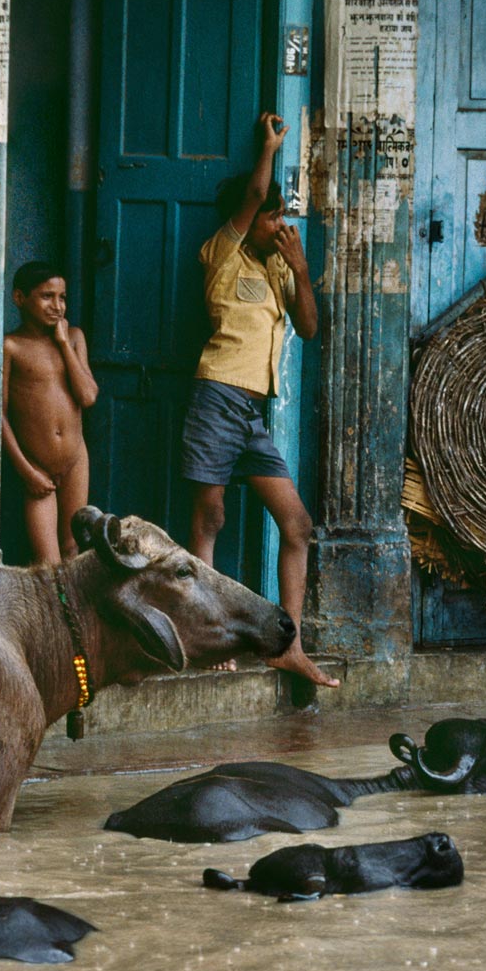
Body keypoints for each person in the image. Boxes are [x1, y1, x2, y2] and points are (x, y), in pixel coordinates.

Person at [183, 111, 337, 690]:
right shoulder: (223, 251)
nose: (280, 223)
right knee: (210, 519)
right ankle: (206, 637)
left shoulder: (277, 265)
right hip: (217, 396)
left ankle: (287, 644)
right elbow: (253, 191)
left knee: (297, 525)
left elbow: (310, 326)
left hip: (250, 412)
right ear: (249, 218)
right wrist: (270, 148)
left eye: (280, 214)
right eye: (273, 215)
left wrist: (299, 266)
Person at [2, 262, 99, 565]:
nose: (57, 306)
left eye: (63, 297)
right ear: (20, 298)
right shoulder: (12, 347)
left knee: (72, 551)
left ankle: (69, 614)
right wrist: (26, 470)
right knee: (47, 561)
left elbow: (87, 395)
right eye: (47, 296)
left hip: (75, 460)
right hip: (36, 463)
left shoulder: (73, 337)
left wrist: (63, 343)